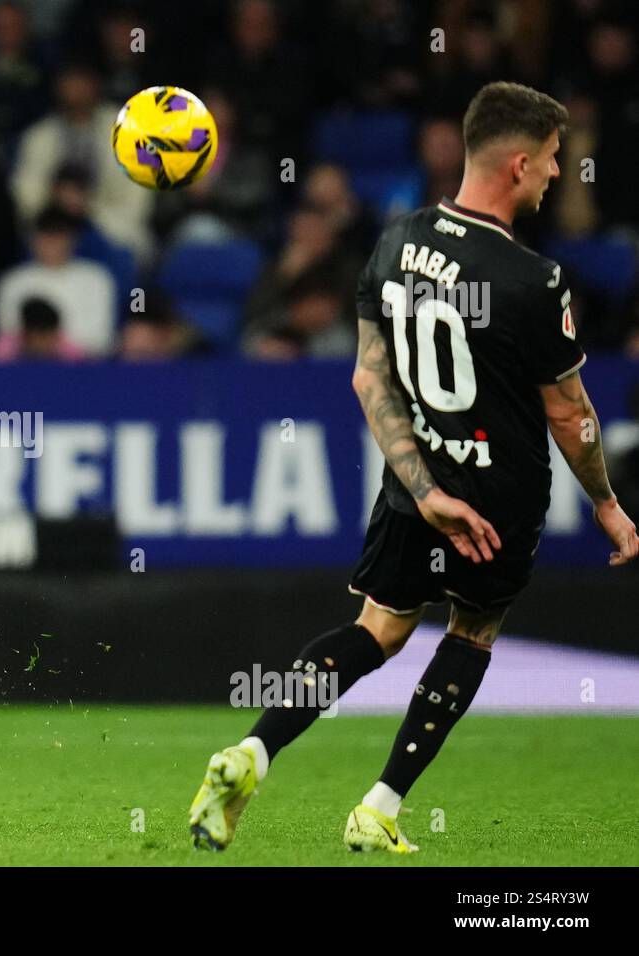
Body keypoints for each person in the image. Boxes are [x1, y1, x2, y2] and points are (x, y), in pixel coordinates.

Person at [188, 81, 639, 854]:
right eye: (556, 160)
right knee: (472, 631)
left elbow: (369, 376)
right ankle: (380, 807)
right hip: (501, 495)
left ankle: (251, 752)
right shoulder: (536, 282)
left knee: (378, 629)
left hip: (414, 485)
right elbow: (569, 413)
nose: (560, 175)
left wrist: (426, 491)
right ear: (520, 163)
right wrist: (605, 501)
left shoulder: (394, 240)